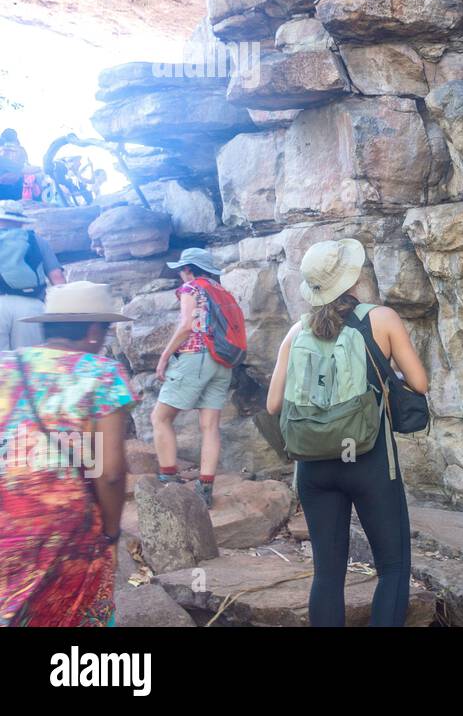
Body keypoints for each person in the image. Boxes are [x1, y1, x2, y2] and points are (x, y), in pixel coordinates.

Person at [266, 239, 429, 627]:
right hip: (369, 459)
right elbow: (419, 384)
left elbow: (273, 406)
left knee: (327, 573)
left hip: (314, 467)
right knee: (392, 567)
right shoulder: (383, 319)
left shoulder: (296, 331)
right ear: (352, 278)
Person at [0, 281, 133, 626]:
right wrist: (111, 534)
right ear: (93, 331)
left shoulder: (5, 367)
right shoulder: (101, 374)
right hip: (67, 526)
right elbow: (110, 471)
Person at [151, 248, 237, 508]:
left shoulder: (191, 289)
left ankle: (168, 478)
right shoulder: (222, 292)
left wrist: (165, 356)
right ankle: (205, 487)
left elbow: (187, 325)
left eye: (181, 269)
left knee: (160, 417)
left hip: (196, 356)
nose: (180, 275)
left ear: (189, 269)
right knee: (209, 424)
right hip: (223, 361)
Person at [0, 202, 66, 350]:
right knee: (30, 365)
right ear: (21, 222)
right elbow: (58, 279)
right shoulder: (37, 240)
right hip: (31, 309)